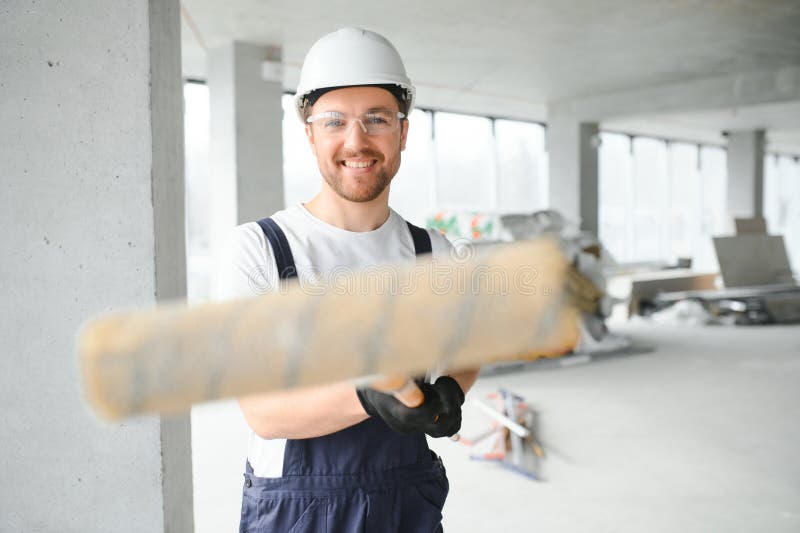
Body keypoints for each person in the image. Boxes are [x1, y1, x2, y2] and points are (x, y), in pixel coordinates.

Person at [220, 27, 479, 532]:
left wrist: (454, 387)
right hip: (299, 511)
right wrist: (370, 398)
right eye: (334, 121)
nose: (356, 141)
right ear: (310, 133)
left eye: (376, 120)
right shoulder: (262, 250)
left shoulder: (434, 253)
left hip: (408, 501)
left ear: (402, 132)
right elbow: (263, 414)